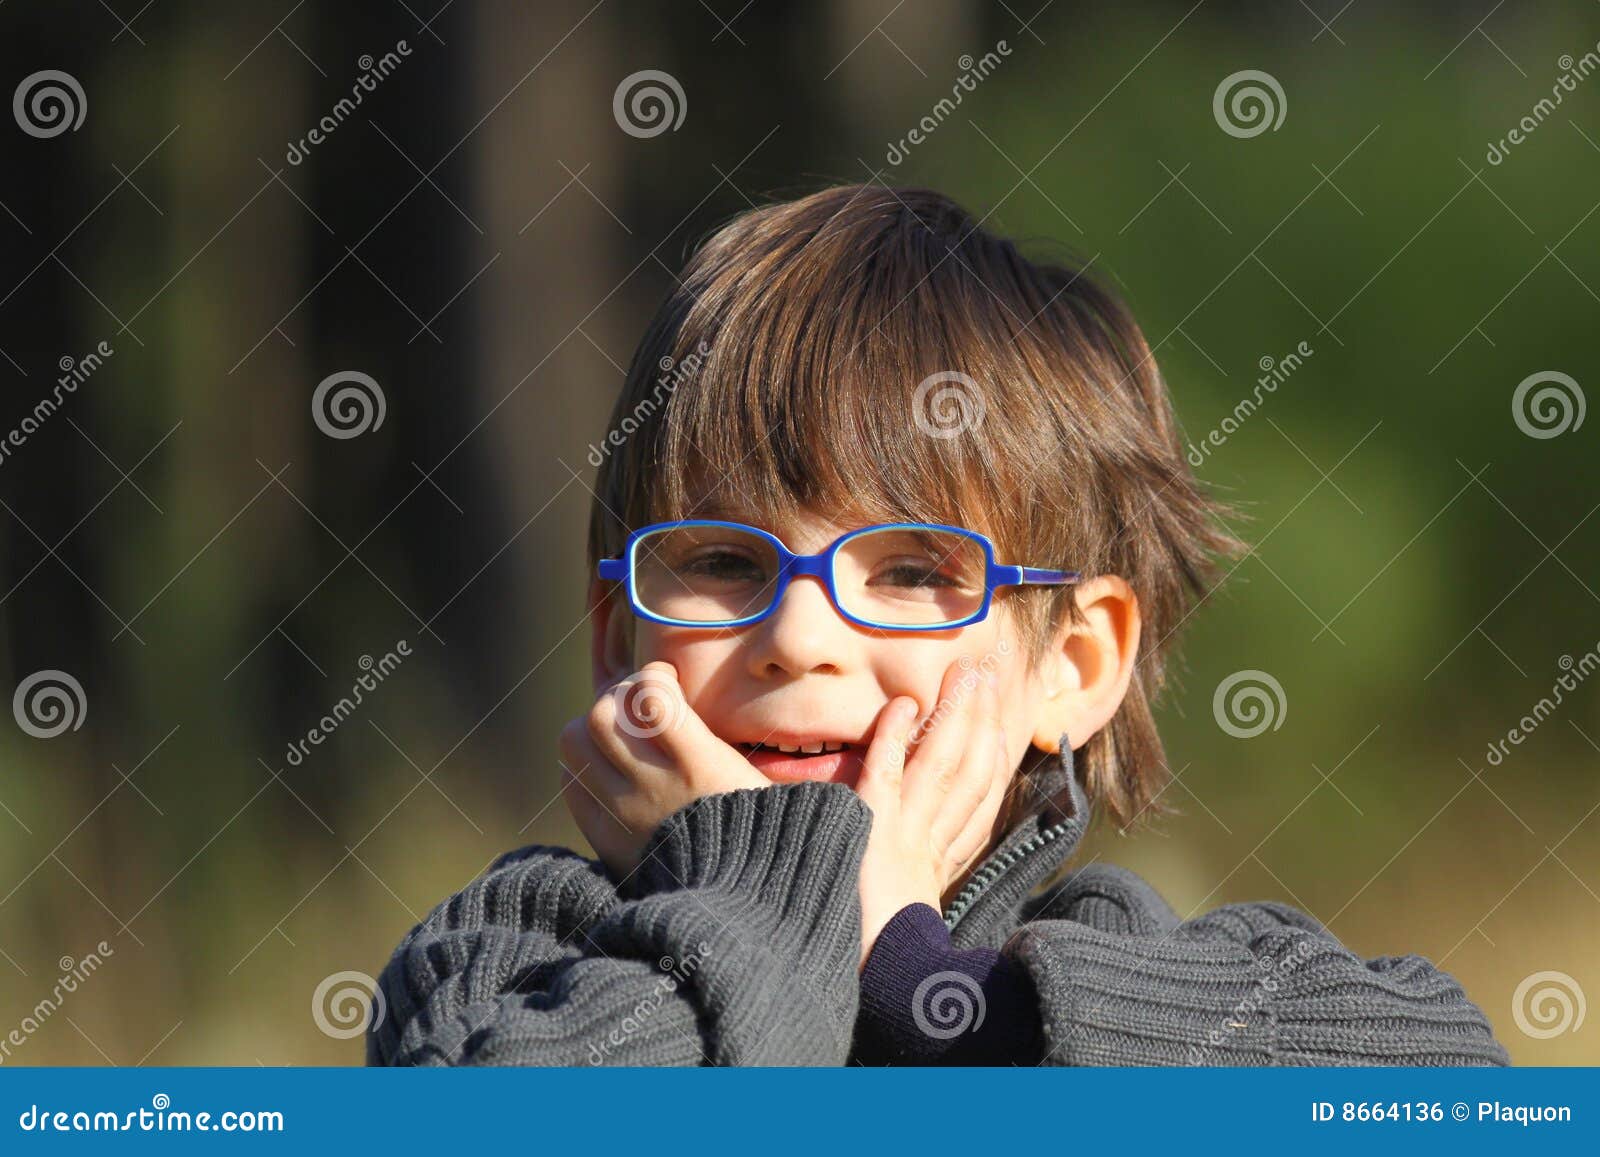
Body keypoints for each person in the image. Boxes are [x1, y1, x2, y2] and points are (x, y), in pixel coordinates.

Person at [366, 184, 1510, 1067]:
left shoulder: (1137, 962)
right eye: (719, 560)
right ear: (623, 639)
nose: (798, 634)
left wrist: (916, 980)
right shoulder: (507, 960)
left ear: (1075, 662)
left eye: (912, 569)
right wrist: (771, 907)